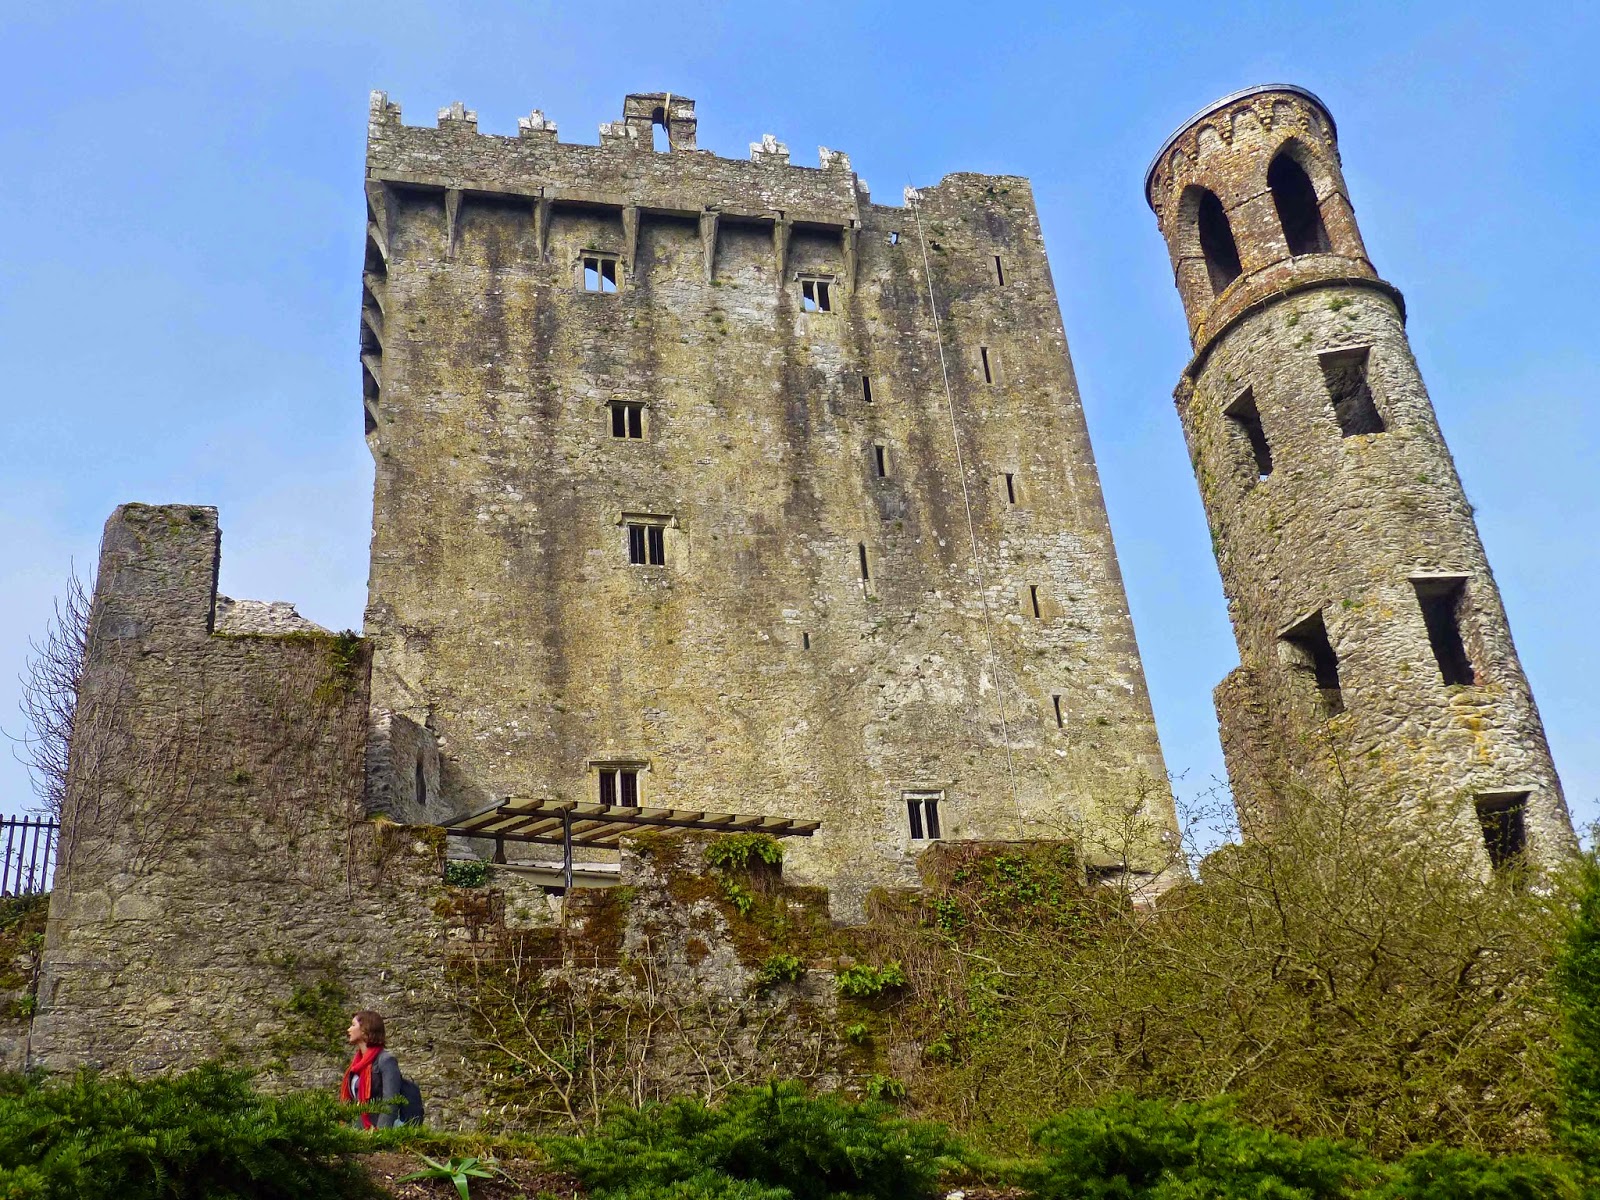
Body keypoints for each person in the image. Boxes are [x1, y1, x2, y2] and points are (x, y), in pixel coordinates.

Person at [342, 1010, 404, 1129]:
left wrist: (381, 1134)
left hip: (375, 1130)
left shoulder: (386, 1060)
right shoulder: (356, 1064)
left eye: (353, 1025)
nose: (348, 1029)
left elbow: (390, 1102)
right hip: (357, 1131)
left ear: (365, 1030)